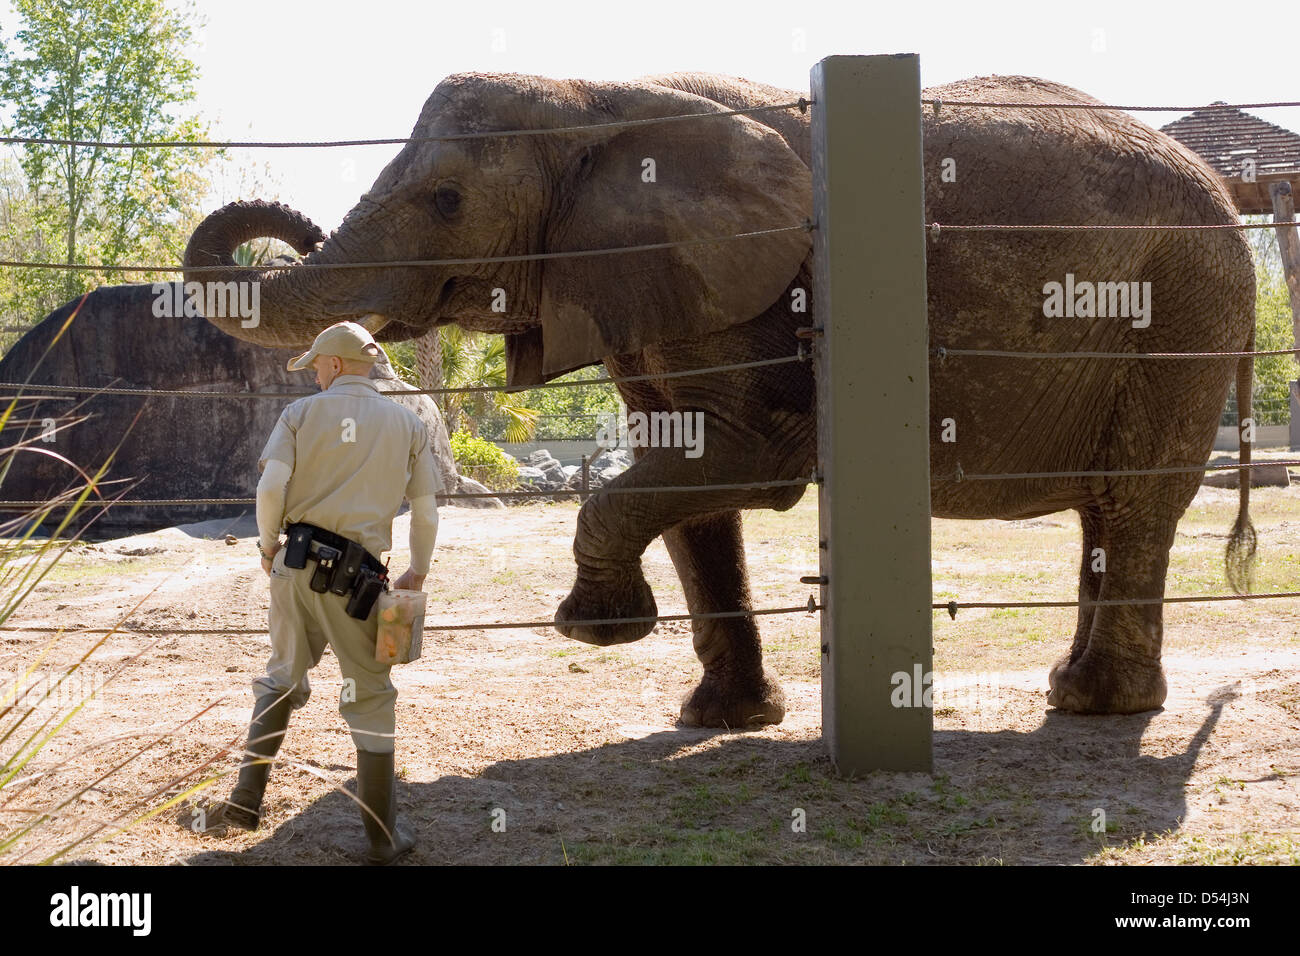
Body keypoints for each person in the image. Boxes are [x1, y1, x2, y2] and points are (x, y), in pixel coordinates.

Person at [192, 320, 442, 864]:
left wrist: (266, 548)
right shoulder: (408, 424)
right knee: (370, 693)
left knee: (281, 678)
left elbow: (270, 486)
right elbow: (424, 510)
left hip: (294, 566)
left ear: (331, 365)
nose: (315, 377)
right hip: (361, 583)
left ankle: (244, 802)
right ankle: (381, 837)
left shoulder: (299, 415)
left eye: (317, 368)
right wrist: (417, 572)